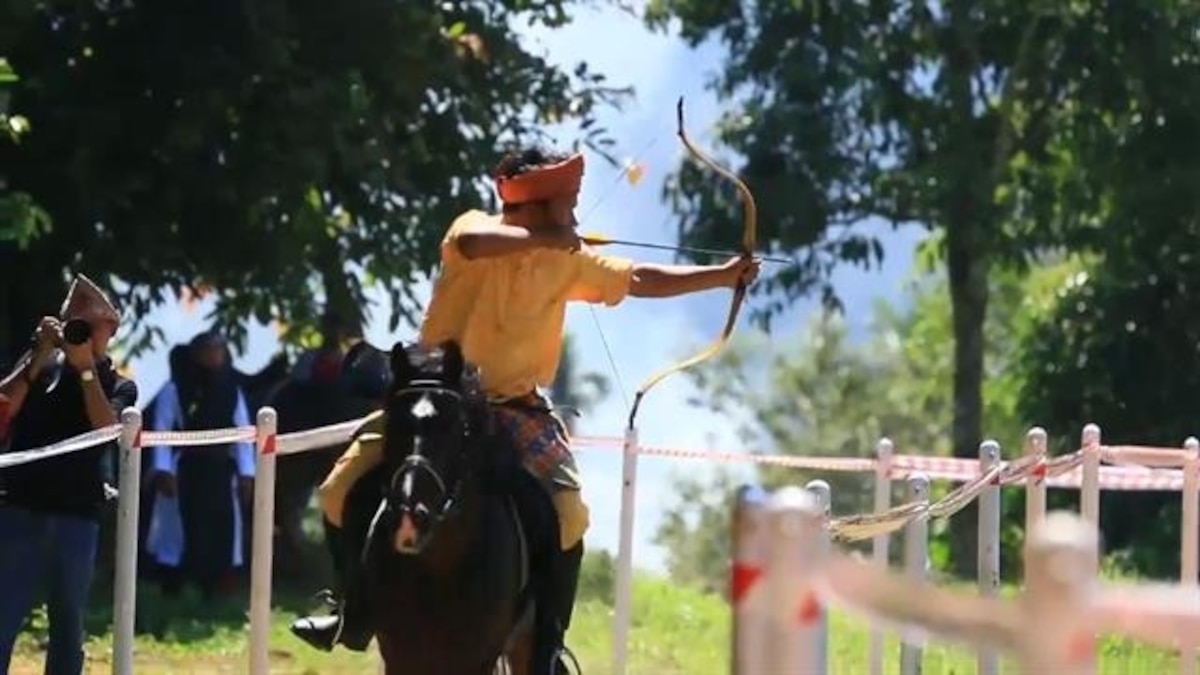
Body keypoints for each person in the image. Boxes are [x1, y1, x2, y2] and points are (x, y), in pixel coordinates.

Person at [289, 147, 761, 669]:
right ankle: (352, 609)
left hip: (516, 408)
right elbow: (472, 242)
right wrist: (547, 239)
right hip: (436, 396)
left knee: (569, 515)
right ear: (536, 205)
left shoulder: (570, 259)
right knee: (337, 491)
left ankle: (547, 645)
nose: (576, 216)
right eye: (568, 202)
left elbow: (638, 279)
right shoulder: (472, 230)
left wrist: (721, 276)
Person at [0, 274, 138, 674]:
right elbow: (4, 408)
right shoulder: (39, 369)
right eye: (75, 325)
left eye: (91, 327)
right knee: (3, 617)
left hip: (76, 518)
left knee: (68, 624)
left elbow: (106, 429)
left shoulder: (119, 384)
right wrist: (36, 357)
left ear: (110, 332)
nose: (81, 335)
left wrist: (86, 371)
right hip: (18, 510)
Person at [145, 329, 255, 598]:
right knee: (179, 527)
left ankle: (214, 585)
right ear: (197, 354)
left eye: (219, 349)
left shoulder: (231, 389)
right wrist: (162, 468)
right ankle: (173, 583)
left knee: (221, 525)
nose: (215, 355)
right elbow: (162, 428)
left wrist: (247, 472)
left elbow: (243, 431)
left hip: (219, 468)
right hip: (186, 467)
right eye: (209, 350)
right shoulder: (175, 387)